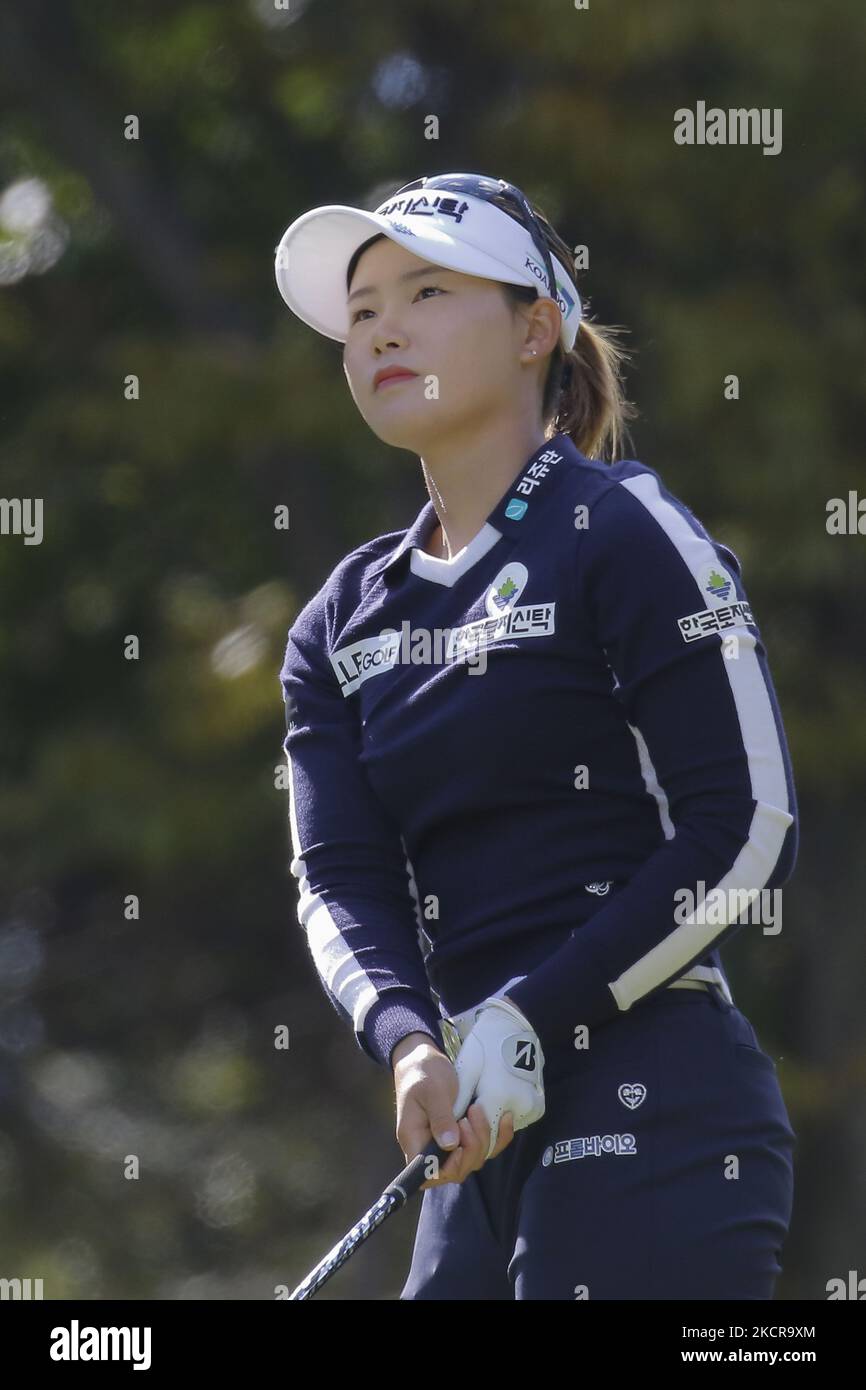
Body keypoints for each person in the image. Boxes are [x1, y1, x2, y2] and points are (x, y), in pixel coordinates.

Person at [274, 172, 798, 1300]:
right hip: (475, 1125)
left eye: (424, 291)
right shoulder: (338, 618)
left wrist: (531, 1011)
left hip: (654, 1101)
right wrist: (409, 1039)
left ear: (534, 329)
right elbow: (336, 875)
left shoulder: (621, 528)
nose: (382, 329)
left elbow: (745, 825)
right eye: (361, 312)